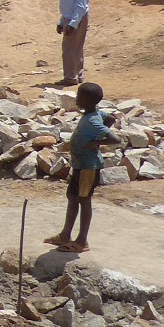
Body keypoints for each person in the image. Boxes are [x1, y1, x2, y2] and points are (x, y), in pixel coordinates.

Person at [45, 82, 119, 253]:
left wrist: (96, 142)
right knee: (72, 196)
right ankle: (65, 235)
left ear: (88, 100)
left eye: (79, 97)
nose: (76, 99)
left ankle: (82, 241)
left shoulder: (93, 120)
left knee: (84, 200)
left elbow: (116, 140)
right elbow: (111, 119)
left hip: (89, 167)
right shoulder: (95, 114)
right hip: (80, 165)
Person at [58, 0, 91, 85]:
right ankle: (77, 74)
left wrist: (72, 24)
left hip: (76, 19)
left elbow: (80, 7)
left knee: (69, 48)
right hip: (69, 18)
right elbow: (68, 6)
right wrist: (61, 22)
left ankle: (70, 77)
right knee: (75, 47)